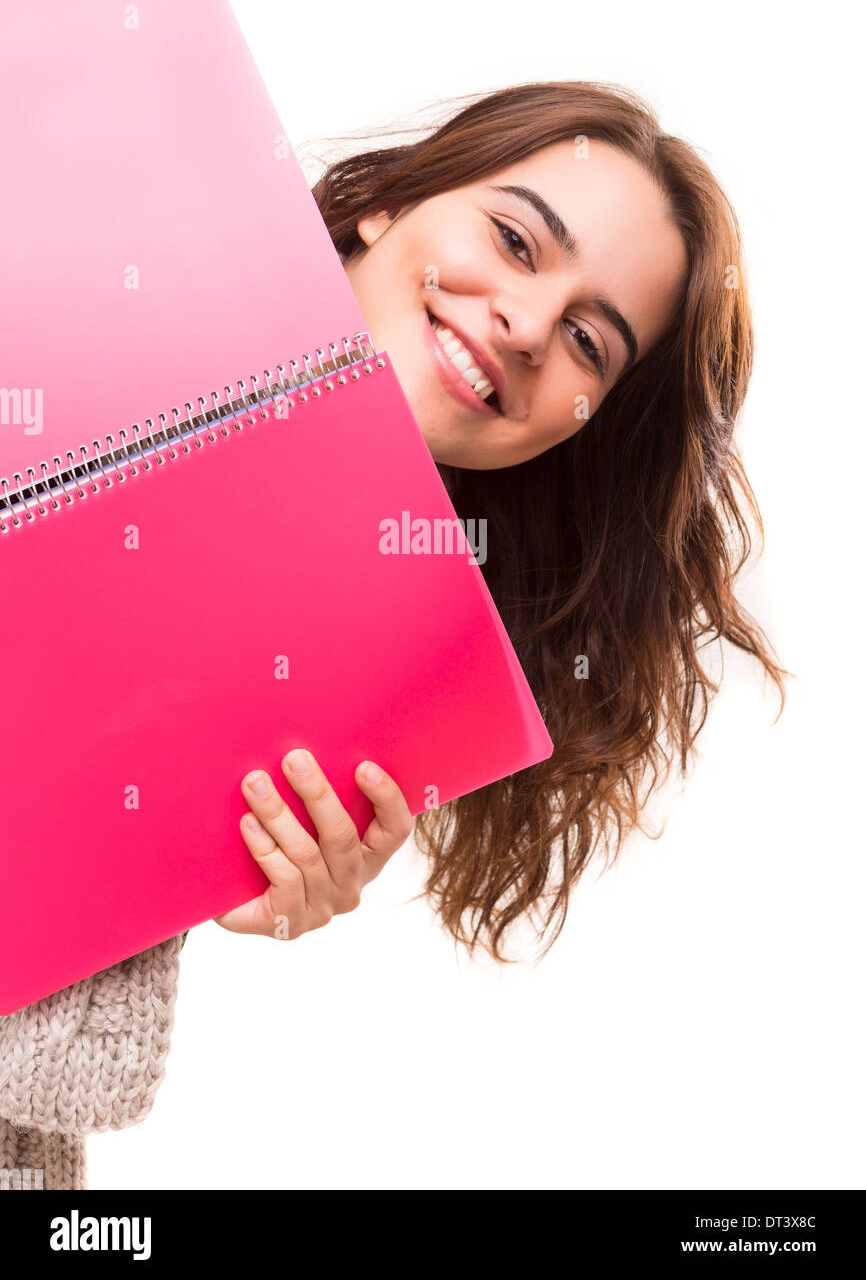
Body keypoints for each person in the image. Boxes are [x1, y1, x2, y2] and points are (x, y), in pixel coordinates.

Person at [0, 80, 785, 1190]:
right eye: (513, 239)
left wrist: (172, 868)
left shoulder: (366, 675)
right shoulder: (72, 276)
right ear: (387, 202)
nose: (521, 321)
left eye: (586, 341)